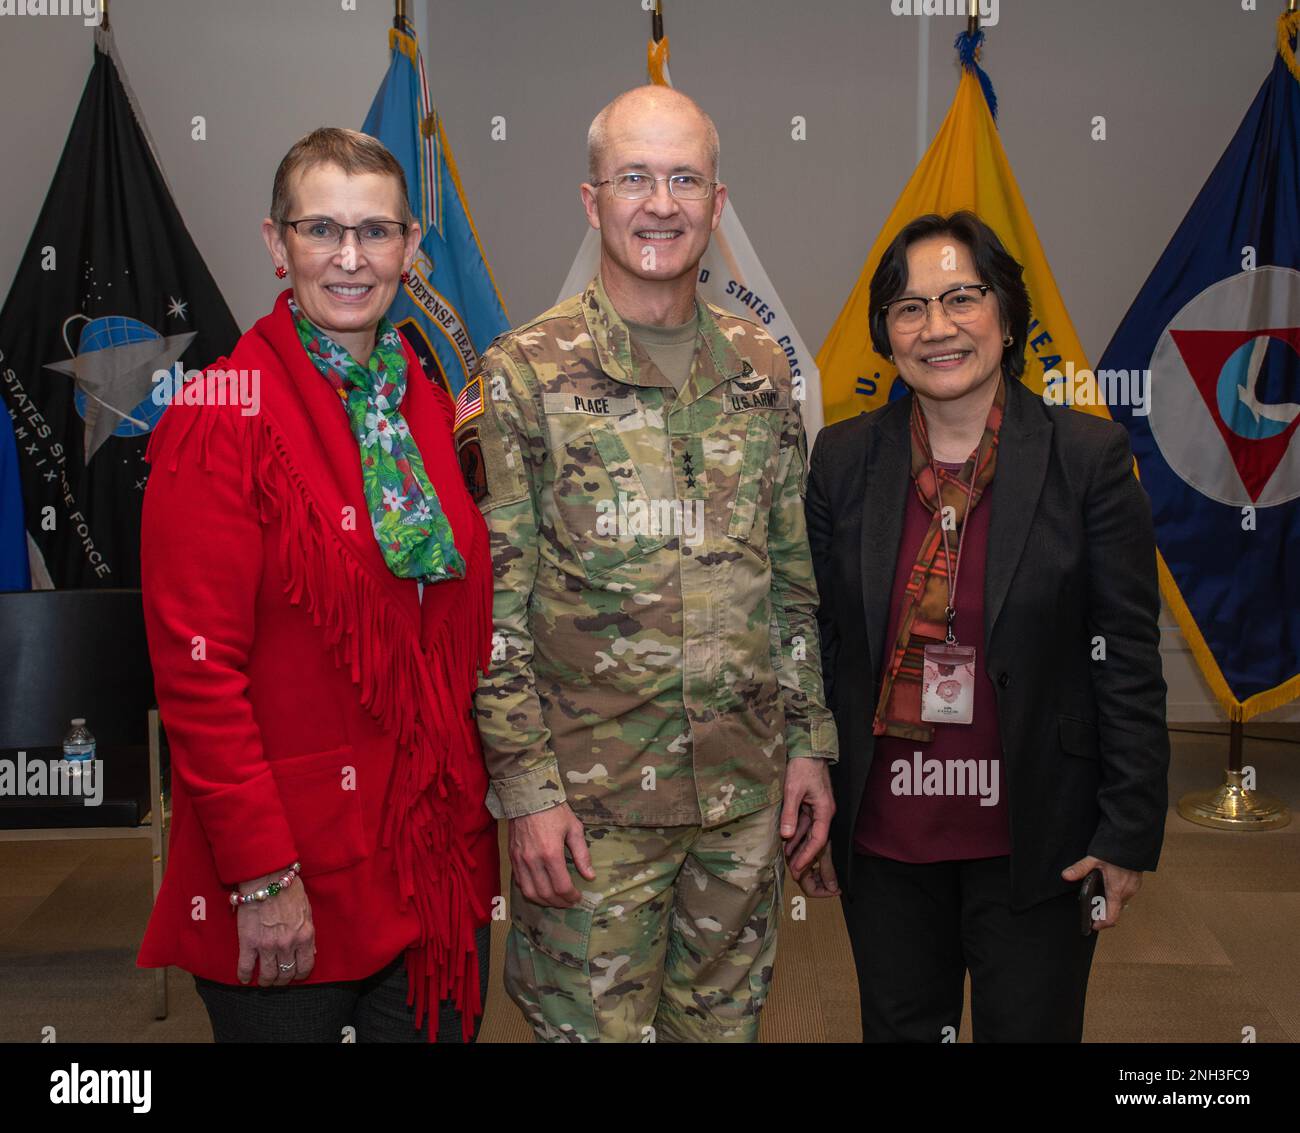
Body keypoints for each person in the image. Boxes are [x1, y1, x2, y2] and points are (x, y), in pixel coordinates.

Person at [455, 85, 837, 1043]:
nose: (659, 202)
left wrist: (808, 743)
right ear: (593, 202)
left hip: (741, 806)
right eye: (634, 177)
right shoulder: (524, 374)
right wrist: (528, 793)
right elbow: (492, 615)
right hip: (593, 814)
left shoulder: (760, 364)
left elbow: (789, 577)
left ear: (715, 201)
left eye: (684, 179)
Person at [137, 127, 497, 1042]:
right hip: (294, 869)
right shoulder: (222, 414)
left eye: (375, 231)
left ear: (412, 251)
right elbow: (198, 675)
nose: (349, 257)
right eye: (321, 229)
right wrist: (260, 876)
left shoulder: (416, 392)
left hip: (431, 864)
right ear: (275, 243)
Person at [805, 210, 1169, 1043]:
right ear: (886, 334)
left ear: (1006, 315)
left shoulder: (1089, 458)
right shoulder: (843, 459)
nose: (937, 326)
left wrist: (1127, 832)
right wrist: (817, 794)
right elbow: (818, 645)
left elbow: (1127, 657)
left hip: (1037, 838)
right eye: (909, 307)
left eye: (961, 298)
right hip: (887, 834)